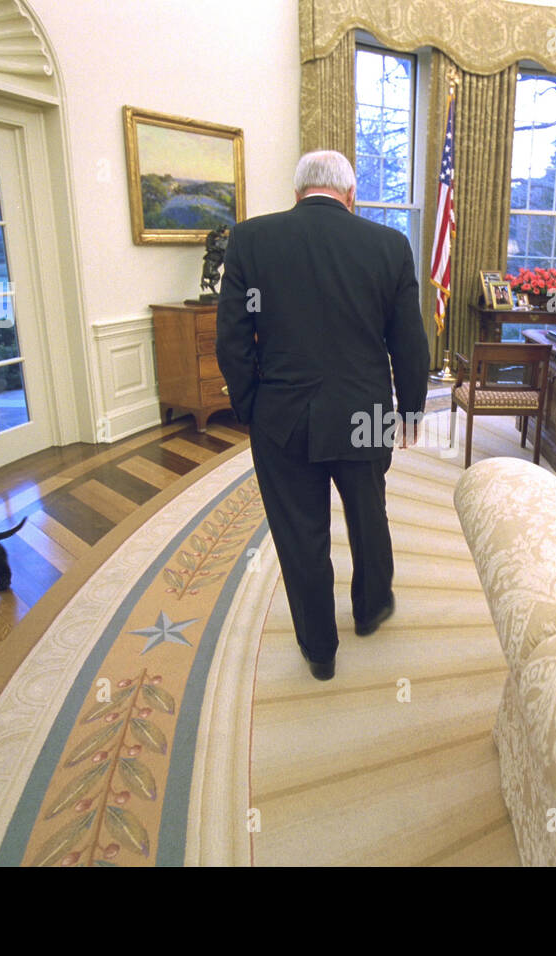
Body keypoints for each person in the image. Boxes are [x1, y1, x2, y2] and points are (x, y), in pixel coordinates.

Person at [215, 150, 430, 680]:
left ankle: (320, 650)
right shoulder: (389, 245)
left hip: (281, 417)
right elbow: (409, 341)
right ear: (350, 195)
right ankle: (372, 608)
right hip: (368, 411)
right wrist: (411, 411)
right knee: (370, 513)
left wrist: (250, 408)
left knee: (300, 535)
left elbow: (232, 340)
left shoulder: (250, 240)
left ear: (297, 193)